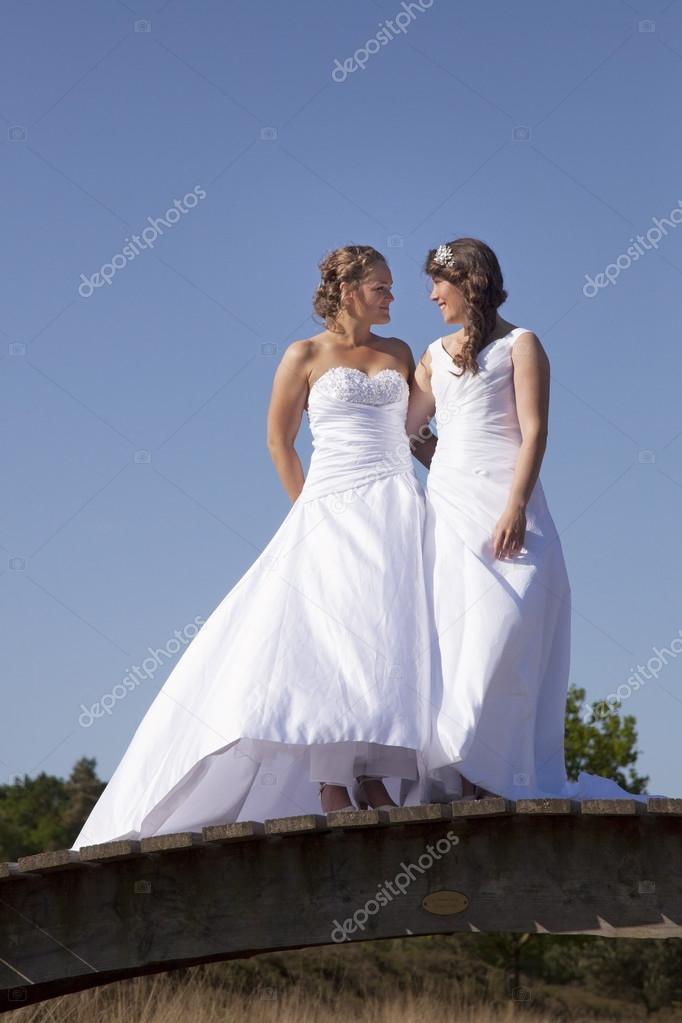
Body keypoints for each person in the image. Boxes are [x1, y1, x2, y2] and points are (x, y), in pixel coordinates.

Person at [71, 245, 435, 850]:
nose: (393, 297)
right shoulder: (304, 355)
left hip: (397, 506)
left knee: (393, 635)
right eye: (382, 286)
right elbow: (278, 440)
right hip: (331, 509)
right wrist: (307, 513)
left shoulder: (400, 354)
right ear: (348, 290)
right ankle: (330, 783)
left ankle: (377, 774)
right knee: (332, 642)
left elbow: (415, 431)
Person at [406, 237, 652, 804]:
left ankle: (503, 769)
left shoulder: (522, 344)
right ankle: (468, 774)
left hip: (510, 500)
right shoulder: (432, 354)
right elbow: (409, 428)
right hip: (452, 502)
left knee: (509, 628)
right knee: (461, 634)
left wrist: (515, 503)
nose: (431, 294)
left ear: (467, 281)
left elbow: (535, 430)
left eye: (438, 283)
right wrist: (441, 463)